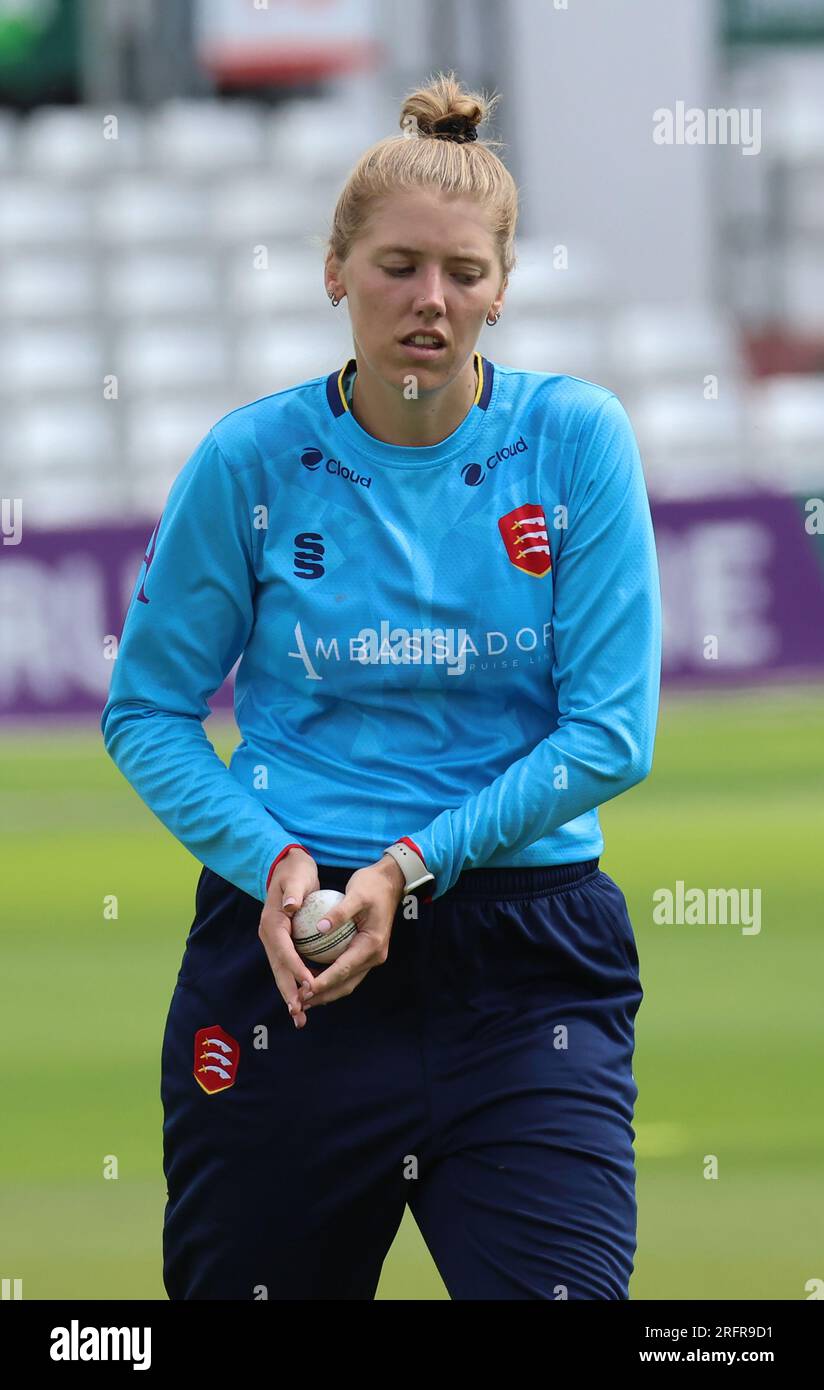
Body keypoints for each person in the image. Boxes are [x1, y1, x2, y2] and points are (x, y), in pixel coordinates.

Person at [100, 70, 662, 1301]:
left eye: (462, 273)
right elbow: (146, 709)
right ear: (334, 272)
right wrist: (275, 861)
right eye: (398, 264)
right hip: (284, 968)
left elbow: (610, 734)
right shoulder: (251, 459)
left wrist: (408, 865)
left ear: (501, 290)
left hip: (523, 972)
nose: (430, 300)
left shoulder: (575, 441)